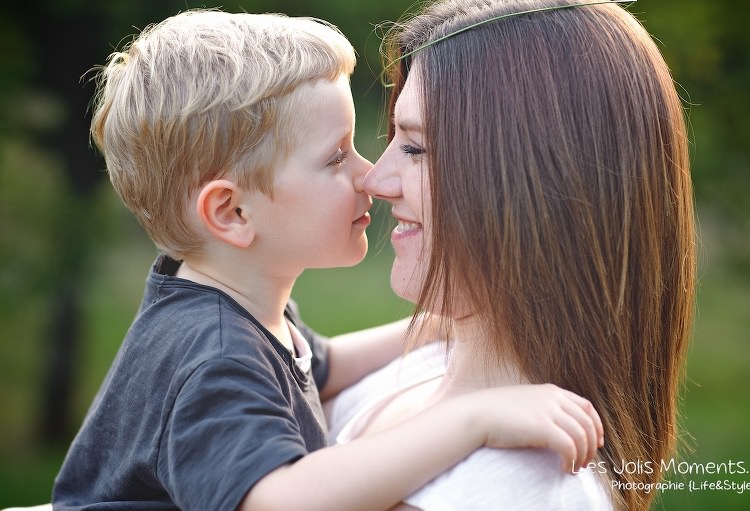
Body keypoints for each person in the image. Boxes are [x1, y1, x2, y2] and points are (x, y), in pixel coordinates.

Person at [49, 9, 605, 511]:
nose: (369, 175)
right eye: (337, 158)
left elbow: (323, 365)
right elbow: (281, 499)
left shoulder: (235, 311)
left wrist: (440, 326)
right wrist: (472, 418)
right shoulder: (213, 355)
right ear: (233, 212)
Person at [325, 0, 696, 510]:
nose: (375, 181)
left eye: (415, 148)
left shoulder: (523, 488)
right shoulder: (418, 363)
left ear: (535, 184)